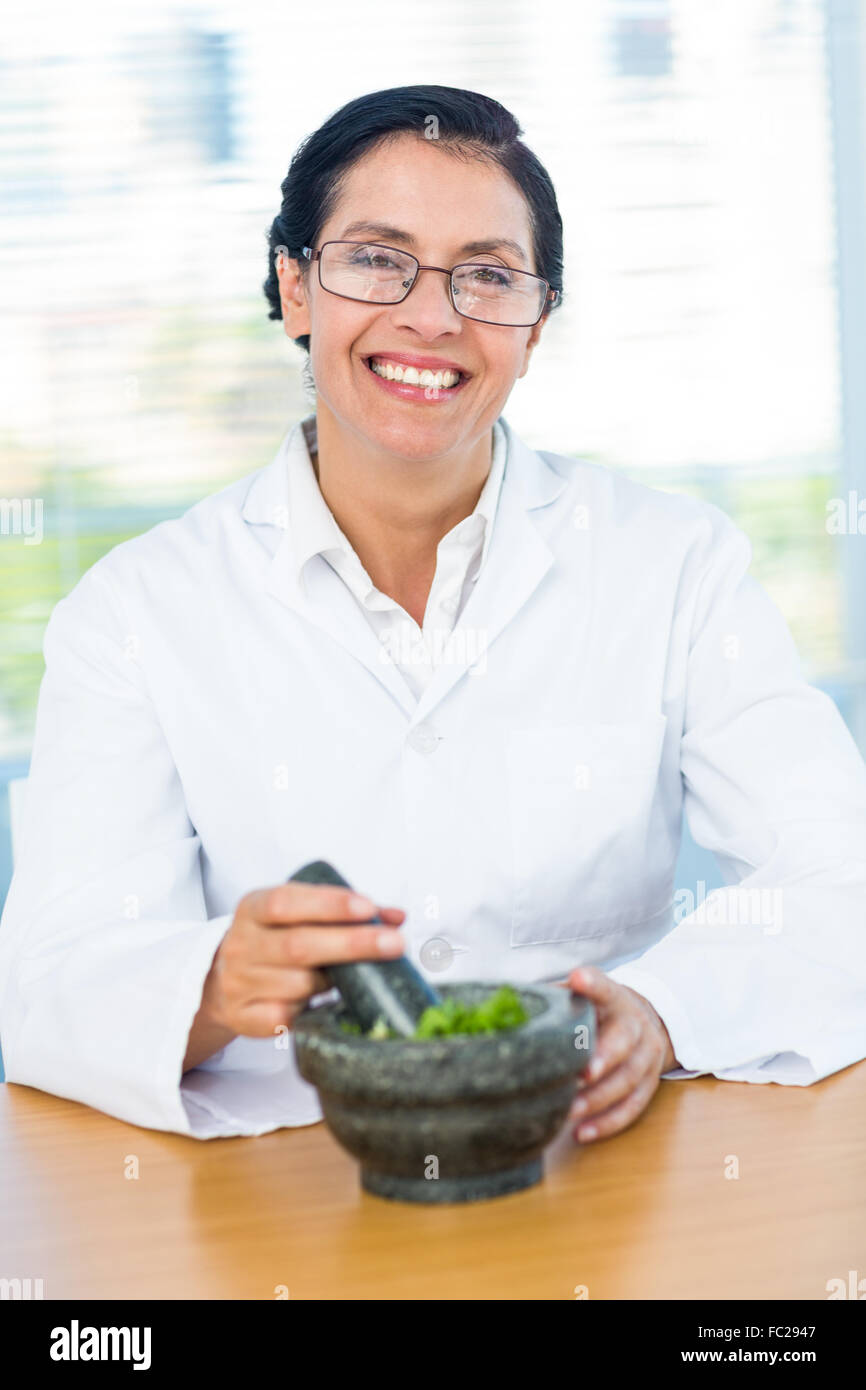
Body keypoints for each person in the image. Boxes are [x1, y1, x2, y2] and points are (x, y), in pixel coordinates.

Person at [1, 85, 864, 1144]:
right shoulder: (136, 609)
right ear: (295, 286)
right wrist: (216, 983)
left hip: (592, 1161)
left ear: (536, 323)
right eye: (376, 259)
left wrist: (662, 1011)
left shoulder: (674, 565)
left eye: (488, 276)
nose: (431, 316)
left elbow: (839, 881)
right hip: (277, 1185)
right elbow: (50, 980)